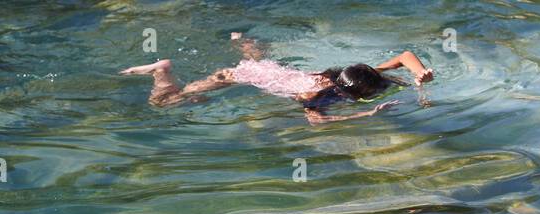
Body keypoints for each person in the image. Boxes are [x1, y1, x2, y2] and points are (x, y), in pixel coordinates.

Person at [120, 32, 433, 125]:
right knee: (166, 103)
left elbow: (405, 56)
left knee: (259, 62)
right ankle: (160, 71)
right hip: (236, 76)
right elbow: (316, 123)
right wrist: (368, 113)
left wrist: (419, 74)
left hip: (268, 69)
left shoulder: (351, 74)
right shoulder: (317, 96)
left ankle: (242, 40)